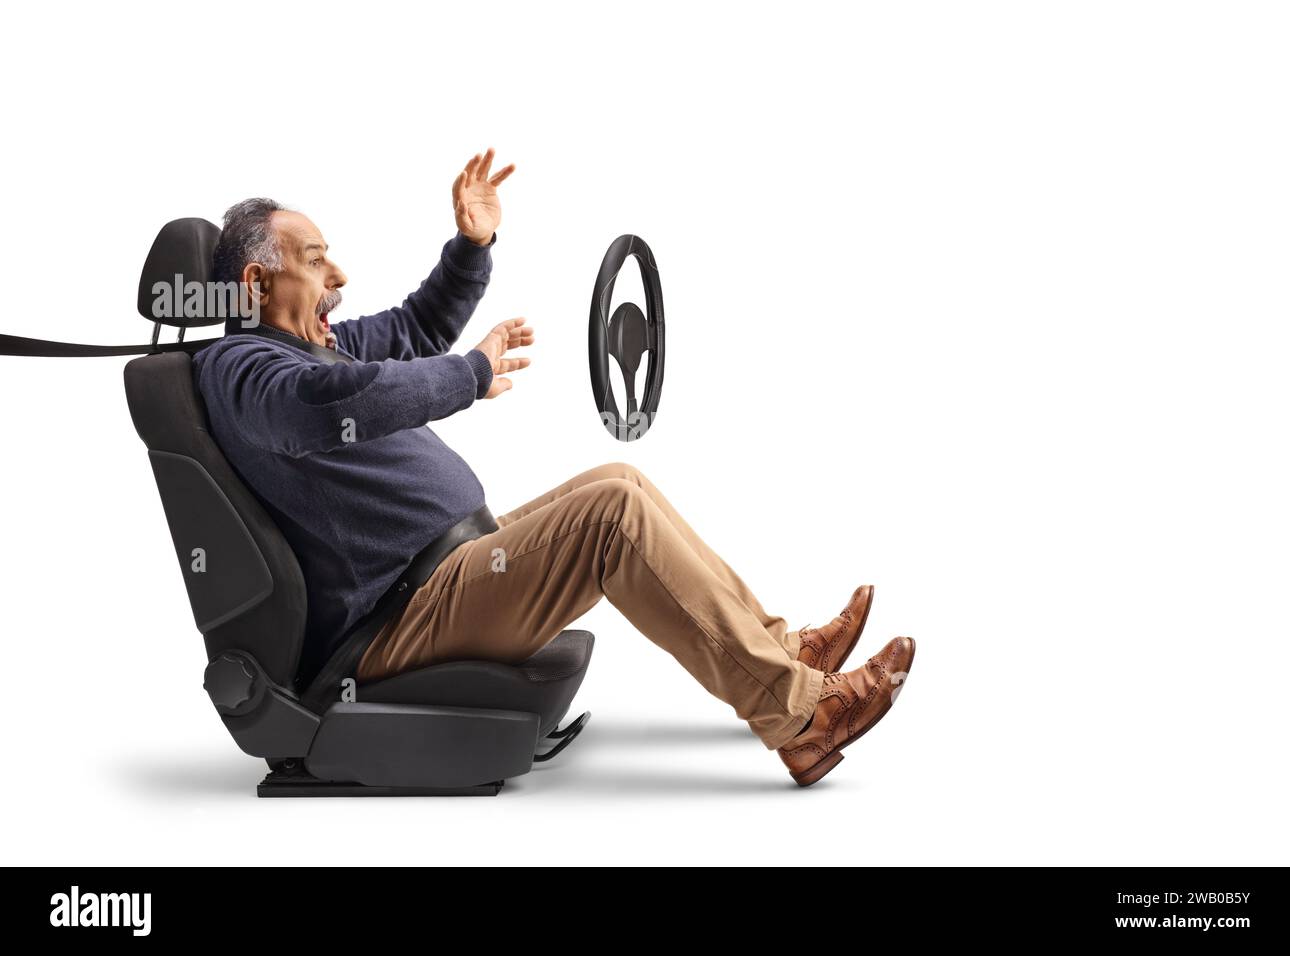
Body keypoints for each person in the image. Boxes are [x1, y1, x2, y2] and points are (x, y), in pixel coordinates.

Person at [192, 147, 915, 787]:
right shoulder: (241, 368)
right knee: (612, 519)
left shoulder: (313, 345)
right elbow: (325, 404)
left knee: (615, 482)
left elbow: (411, 331)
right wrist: (468, 374)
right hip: (401, 615)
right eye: (317, 260)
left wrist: (471, 247)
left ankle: (782, 650)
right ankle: (801, 717)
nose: (339, 272)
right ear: (257, 282)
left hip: (452, 561)